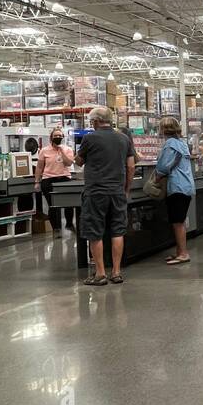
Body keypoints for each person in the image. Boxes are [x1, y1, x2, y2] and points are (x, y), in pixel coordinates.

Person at [74, 106, 135, 285]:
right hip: (117, 191)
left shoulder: (89, 138)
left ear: (95, 121)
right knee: (117, 231)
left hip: (95, 192)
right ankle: (116, 272)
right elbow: (131, 166)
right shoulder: (124, 138)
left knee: (95, 232)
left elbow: (79, 161)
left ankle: (100, 274)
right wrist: (126, 189)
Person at [155, 116, 195, 265]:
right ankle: (179, 251)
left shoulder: (169, 144)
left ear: (163, 129)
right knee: (180, 220)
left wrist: (156, 178)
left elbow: (163, 167)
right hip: (186, 186)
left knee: (177, 222)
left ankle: (183, 253)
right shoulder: (182, 143)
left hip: (176, 187)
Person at [34, 126, 75, 236]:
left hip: (64, 178)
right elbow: (39, 167)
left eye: (59, 136)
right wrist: (37, 181)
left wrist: (61, 151)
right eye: (55, 136)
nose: (58, 137)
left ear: (63, 138)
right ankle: (56, 228)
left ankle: (69, 224)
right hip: (49, 179)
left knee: (69, 203)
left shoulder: (67, 149)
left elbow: (69, 163)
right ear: (51, 138)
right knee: (52, 204)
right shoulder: (44, 151)